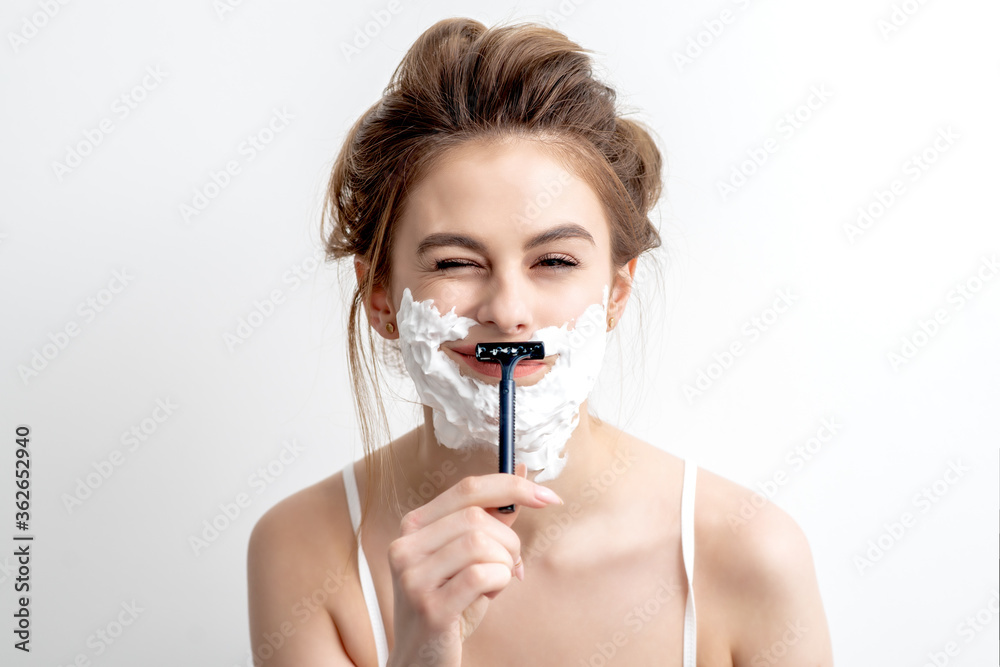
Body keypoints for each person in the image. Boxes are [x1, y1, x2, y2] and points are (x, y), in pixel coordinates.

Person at [247, 16, 833, 666]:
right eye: (454, 263)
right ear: (381, 297)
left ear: (616, 292)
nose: (508, 311)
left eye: (553, 261)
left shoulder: (749, 555)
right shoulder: (305, 548)